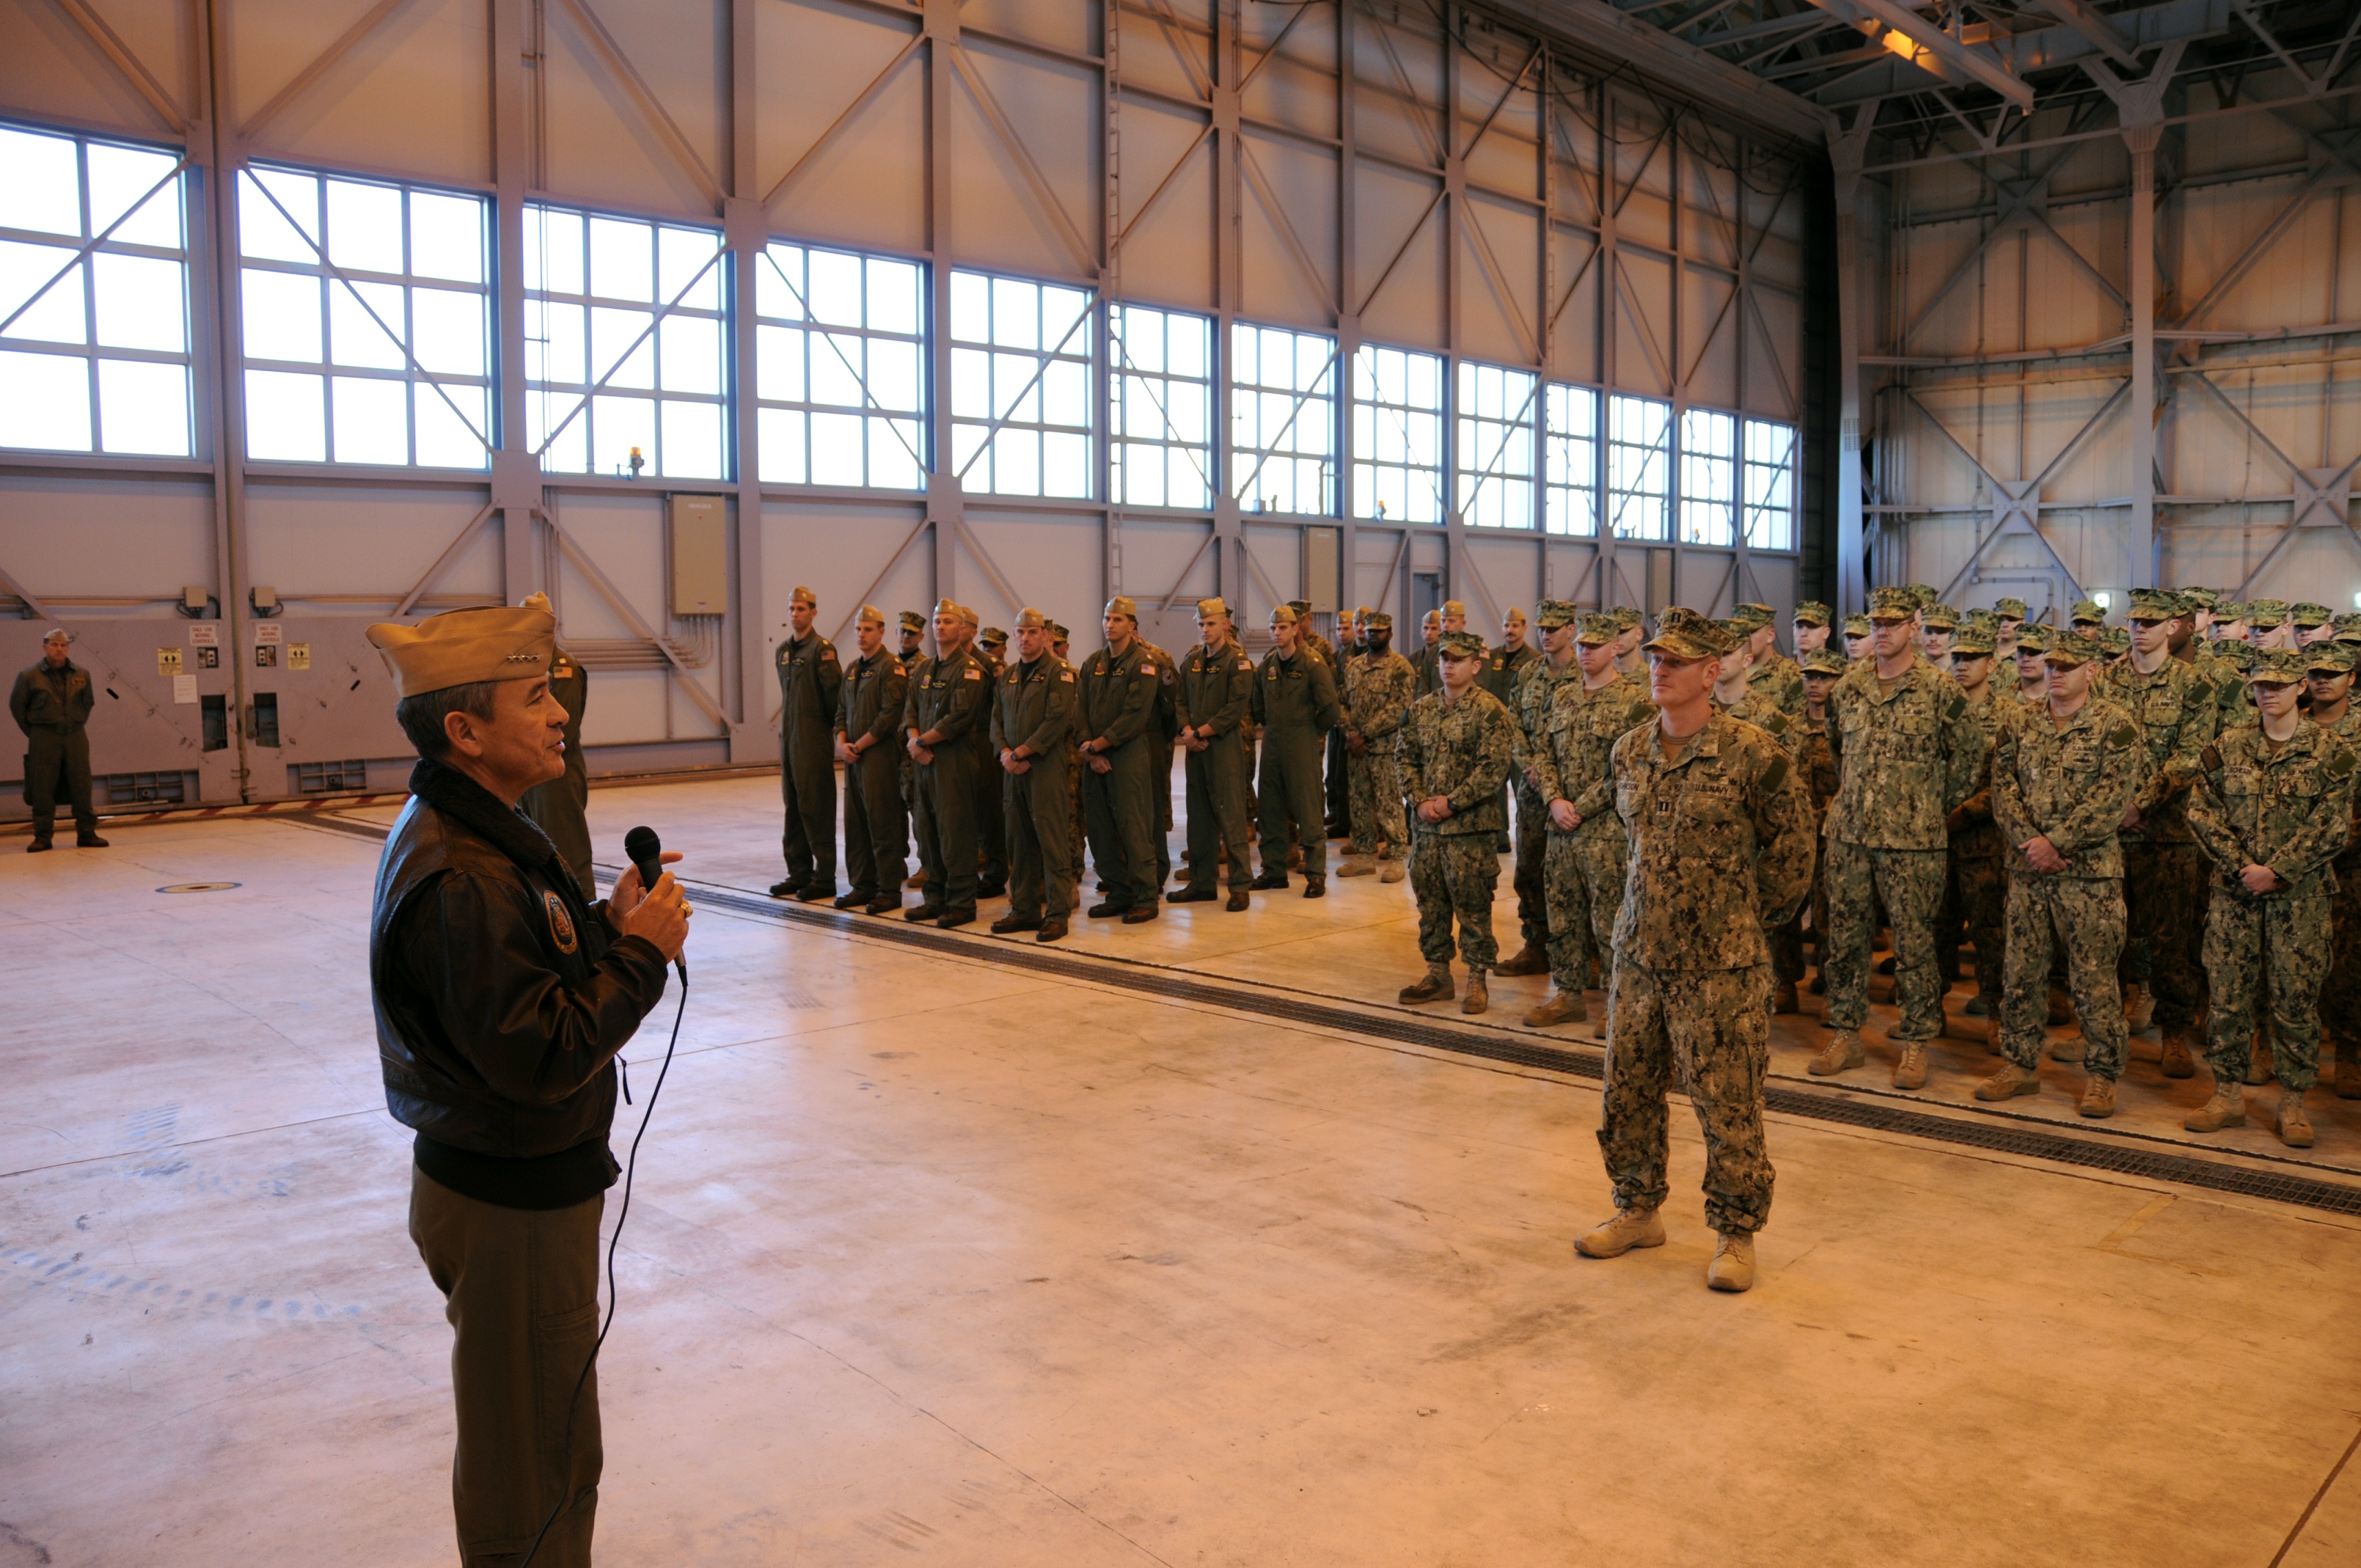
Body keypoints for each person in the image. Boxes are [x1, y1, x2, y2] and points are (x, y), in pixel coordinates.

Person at [363, 601, 689, 1568]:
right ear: (463, 730)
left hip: (509, 1187)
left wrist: (598, 925)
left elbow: (517, 971)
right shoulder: (461, 869)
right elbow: (541, 1055)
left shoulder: (475, 833)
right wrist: (637, 959)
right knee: (532, 1471)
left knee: (547, 1440)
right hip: (512, 1206)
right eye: (536, 695)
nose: (560, 715)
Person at [1574, 607, 1814, 1295]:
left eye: (1675, 661)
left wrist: (1741, 918)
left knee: (1728, 1100)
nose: (1660, 669)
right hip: (1639, 951)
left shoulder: (1754, 754)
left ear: (1712, 672)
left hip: (1721, 963)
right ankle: (1637, 1208)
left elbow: (1793, 852)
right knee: (1627, 1089)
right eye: (1655, 658)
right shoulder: (1628, 749)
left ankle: (1735, 1232)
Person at [2182, 650, 2360, 1146]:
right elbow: (2201, 812)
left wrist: (2278, 870)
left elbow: (2332, 823)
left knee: (2295, 1001)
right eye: (2261, 685)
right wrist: (2244, 868)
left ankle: (2294, 1101)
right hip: (2235, 895)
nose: (2269, 693)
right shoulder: (2227, 746)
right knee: (2229, 998)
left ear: (2300, 688)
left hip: (2298, 901)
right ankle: (2228, 1095)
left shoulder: (2331, 752)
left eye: (2279, 685)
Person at [1813, 585, 1985, 1090]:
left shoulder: (1940, 691)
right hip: (1850, 835)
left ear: (1915, 627)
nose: (1882, 632)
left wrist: (1930, 804)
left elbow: (1968, 757)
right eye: (1876, 624)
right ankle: (1845, 1033)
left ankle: (1915, 1042)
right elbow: (1837, 750)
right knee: (1845, 940)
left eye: (1893, 623)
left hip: (1914, 841)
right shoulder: (1848, 688)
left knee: (1915, 943)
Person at [1976, 631, 2146, 1112]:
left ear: (2092, 671)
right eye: (2051, 666)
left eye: (2067, 667)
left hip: (2089, 875)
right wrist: (2032, 844)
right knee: (2022, 975)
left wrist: (2058, 843)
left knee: (2093, 979)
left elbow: (2112, 800)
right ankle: (2020, 1063)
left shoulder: (2116, 726)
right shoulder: (2019, 722)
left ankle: (2102, 1073)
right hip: (2028, 869)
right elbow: (2002, 787)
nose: (2055, 674)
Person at [2104, 589, 2219, 1075]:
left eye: (2151, 622)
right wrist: (2115, 808)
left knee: (2172, 938)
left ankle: (2174, 1034)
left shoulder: (2195, 686)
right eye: (2134, 621)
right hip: (2110, 832)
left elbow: (2191, 755)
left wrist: (2141, 803)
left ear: (2173, 627)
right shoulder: (2106, 681)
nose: (2140, 629)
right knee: (2110, 937)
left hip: (2169, 833)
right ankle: (2107, 1028)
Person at [1524, 612, 1654, 1032]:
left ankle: (1616, 1002)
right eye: (1580, 645)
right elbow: (1542, 753)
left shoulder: (1635, 703)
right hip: (1560, 829)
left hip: (1605, 833)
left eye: (1594, 646)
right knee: (1562, 916)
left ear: (1615, 648)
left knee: (1609, 921)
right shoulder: (1560, 698)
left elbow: (1632, 768)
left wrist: (1581, 805)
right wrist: (1555, 799)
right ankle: (1568, 995)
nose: (1584, 653)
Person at [1395, 630, 1516, 1014]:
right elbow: (1404, 759)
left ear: (1476, 666)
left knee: (1474, 907)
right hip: (1427, 830)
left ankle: (1477, 980)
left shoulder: (1491, 711)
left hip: (1470, 831)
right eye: (1445, 658)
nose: (1448, 665)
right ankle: (1438, 974)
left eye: (1458, 659)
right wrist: (1419, 801)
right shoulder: (1420, 709)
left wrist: (1451, 802)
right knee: (1431, 905)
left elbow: (1492, 769)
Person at [991, 608, 1079, 942]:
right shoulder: (1008, 675)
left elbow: (1058, 720)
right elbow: (995, 721)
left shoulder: (1061, 673)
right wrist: (1005, 753)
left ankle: (1057, 913)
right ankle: (1024, 909)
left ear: (1046, 636)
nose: (1025, 638)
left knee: (1052, 840)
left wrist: (1022, 752)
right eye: (1020, 632)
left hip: (1045, 767)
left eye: (1032, 632)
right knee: (1019, 841)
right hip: (1012, 769)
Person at [1077, 596, 1163, 923]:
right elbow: (1080, 709)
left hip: (1127, 757)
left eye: (1117, 619)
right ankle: (1118, 891)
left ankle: (1144, 895)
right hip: (1094, 757)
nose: (1110, 625)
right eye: (1106, 618)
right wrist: (1088, 747)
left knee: (1134, 826)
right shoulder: (1092, 664)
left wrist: (1098, 745)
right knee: (1100, 830)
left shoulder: (1144, 663)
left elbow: (1135, 716)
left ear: (1132, 625)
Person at [904, 600, 988, 928]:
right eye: (938, 621)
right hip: (923, 761)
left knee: (956, 832)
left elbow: (959, 718)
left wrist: (922, 742)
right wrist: (915, 741)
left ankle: (962, 903)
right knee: (926, 831)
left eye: (948, 622)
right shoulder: (923, 670)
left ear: (962, 629)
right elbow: (910, 709)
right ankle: (934, 898)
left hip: (953, 761)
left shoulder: (969, 670)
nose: (941, 627)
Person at [1171, 597, 1258, 911]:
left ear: (1225, 625)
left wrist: (1201, 732)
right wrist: (1186, 732)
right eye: (1201, 624)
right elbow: (1180, 700)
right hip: (1195, 749)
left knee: (1231, 816)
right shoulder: (1193, 660)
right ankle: (1202, 882)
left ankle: (1239, 886)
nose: (1205, 629)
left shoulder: (1238, 660)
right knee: (1199, 819)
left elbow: (1236, 706)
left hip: (1223, 747)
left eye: (1211, 624)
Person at [2302, 643, 2361, 1096]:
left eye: (2334, 674)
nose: (2324, 681)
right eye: (2317, 673)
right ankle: (2271, 1044)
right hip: (2293, 865)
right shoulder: (2289, 725)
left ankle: (2348, 1052)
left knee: (2348, 961)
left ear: (2351, 679)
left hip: (2350, 864)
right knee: (2288, 960)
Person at [1251, 604, 1342, 896]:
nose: (1277, 633)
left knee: (1309, 809)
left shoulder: (1313, 664)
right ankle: (1274, 870)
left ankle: (1316, 874)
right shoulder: (1267, 666)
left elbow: (1330, 708)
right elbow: (1258, 706)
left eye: (1283, 628)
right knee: (1271, 809)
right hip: (1274, 741)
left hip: (1302, 739)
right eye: (1273, 628)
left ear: (1296, 630)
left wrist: (1312, 731)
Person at [834, 604, 910, 915]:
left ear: (881, 632)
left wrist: (859, 746)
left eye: (868, 629)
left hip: (878, 756)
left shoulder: (890, 668)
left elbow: (889, 716)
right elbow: (841, 711)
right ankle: (862, 885)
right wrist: (842, 744)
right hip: (853, 757)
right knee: (856, 825)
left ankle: (888, 889)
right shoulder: (853, 669)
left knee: (883, 823)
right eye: (858, 629)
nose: (862, 635)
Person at [516, 595, 593, 900]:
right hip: (532, 766)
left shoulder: (563, 667)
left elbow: (564, 726)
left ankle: (582, 908)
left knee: (567, 848)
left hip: (556, 773)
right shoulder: (526, 668)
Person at [770, 587, 842, 901]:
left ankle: (824, 877)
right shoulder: (784, 651)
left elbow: (834, 699)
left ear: (813, 612)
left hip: (813, 740)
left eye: (802, 608)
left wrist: (831, 734)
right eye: (792, 608)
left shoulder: (822, 650)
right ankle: (797, 873)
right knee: (794, 808)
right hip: (790, 740)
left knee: (817, 808)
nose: (795, 614)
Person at [10, 628, 106, 851]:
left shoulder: (82, 674)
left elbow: (88, 702)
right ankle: (42, 837)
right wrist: (34, 733)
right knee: (42, 786)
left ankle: (87, 833)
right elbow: (17, 707)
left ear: (68, 648)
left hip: (75, 735)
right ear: (45, 648)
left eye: (63, 645)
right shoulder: (29, 676)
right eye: (54, 645)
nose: (59, 649)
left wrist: (76, 721)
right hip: (44, 736)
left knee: (82, 784)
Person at [1338, 608, 1415, 882]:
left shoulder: (1400, 667)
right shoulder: (1354, 667)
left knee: (1389, 804)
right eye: (1370, 631)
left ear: (1390, 634)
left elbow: (1399, 708)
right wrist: (1351, 733)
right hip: (1357, 750)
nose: (1373, 636)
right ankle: (1363, 856)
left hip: (1384, 749)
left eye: (1379, 632)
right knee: (1359, 803)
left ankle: (1395, 857)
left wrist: (1365, 734)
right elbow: (1342, 702)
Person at [957, 606, 1008, 900]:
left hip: (983, 741)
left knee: (990, 813)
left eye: (962, 625)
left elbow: (1003, 707)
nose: (955, 629)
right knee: (962, 812)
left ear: (973, 631)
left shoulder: (988, 664)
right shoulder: (946, 663)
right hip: (956, 743)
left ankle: (997, 873)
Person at [1737, 603, 1803, 716]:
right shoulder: (1726, 671)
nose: (1745, 638)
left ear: (1770, 636)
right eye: (1740, 632)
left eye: (1752, 632)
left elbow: (1795, 726)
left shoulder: (1792, 676)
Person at [1410, 607, 1446, 698]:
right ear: (1421, 630)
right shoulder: (1414, 659)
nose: (1429, 633)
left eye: (1434, 629)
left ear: (1442, 631)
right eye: (1426, 628)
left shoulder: (1446, 658)